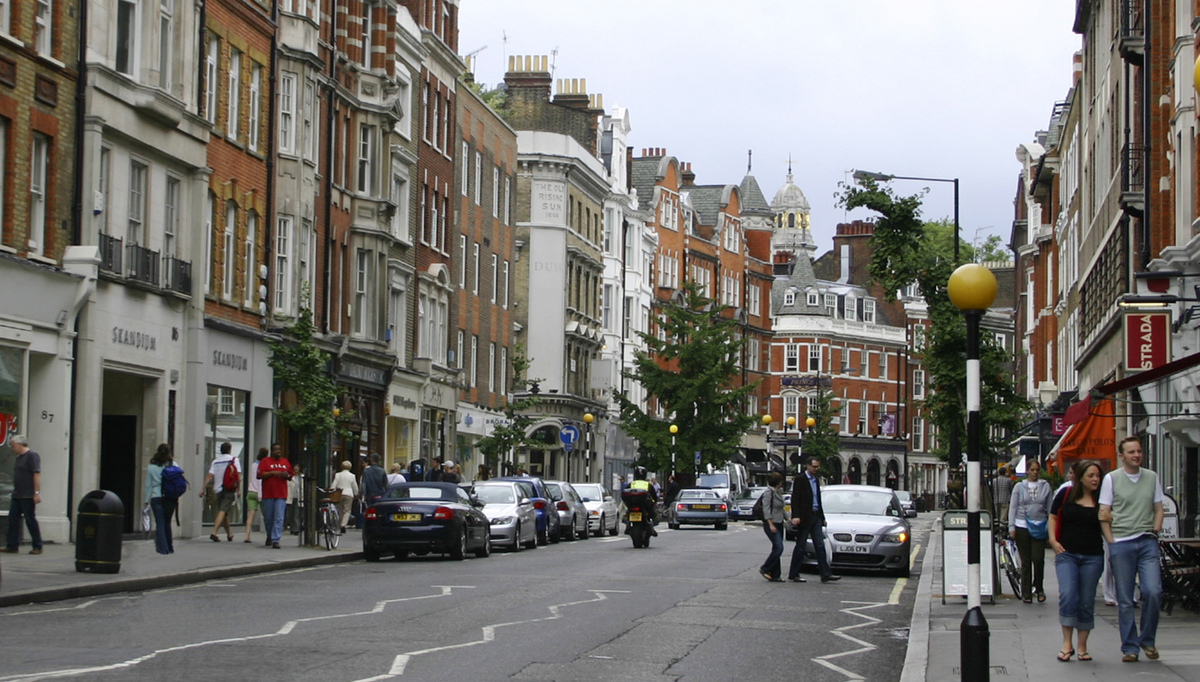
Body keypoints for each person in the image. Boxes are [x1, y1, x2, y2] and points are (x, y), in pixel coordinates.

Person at [1099, 436, 1164, 663]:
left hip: (1146, 540)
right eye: (1131, 452)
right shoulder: (1112, 479)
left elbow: (1159, 508)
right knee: (1125, 599)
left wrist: (1155, 531)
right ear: (1122, 456)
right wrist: (1112, 542)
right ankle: (1130, 647)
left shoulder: (1151, 477)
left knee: (1153, 591)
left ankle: (1147, 639)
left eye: (1139, 451)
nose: (1136, 455)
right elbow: (1104, 513)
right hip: (1122, 541)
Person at [1048, 460, 1104, 662]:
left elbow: (1109, 523)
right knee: (1068, 594)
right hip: (1067, 553)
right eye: (1091, 476)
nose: (1095, 479)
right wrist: (1053, 541)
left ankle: (1082, 645)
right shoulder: (1066, 494)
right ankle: (1066, 643)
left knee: (1086, 600)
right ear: (1080, 477)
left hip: (1092, 556)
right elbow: (1053, 516)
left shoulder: (1102, 498)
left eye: (1098, 476)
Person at [787, 456, 840, 584]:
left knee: (820, 545)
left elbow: (818, 500)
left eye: (818, 466)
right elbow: (795, 498)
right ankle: (794, 574)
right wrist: (795, 516)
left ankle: (825, 574)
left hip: (816, 516)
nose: (817, 469)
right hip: (805, 517)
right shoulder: (800, 479)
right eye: (814, 466)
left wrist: (822, 518)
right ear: (808, 466)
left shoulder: (816, 480)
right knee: (801, 546)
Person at [1009, 459, 1052, 603]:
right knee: (1025, 561)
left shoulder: (1045, 486)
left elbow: (1050, 508)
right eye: (1032, 470)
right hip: (1022, 525)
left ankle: (1039, 588)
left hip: (1039, 526)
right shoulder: (1019, 487)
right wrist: (1011, 527)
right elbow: (1013, 507)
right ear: (1027, 471)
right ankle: (1026, 592)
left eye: (1037, 470)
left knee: (1038, 559)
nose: (1035, 472)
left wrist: (1051, 529)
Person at [2, 435, 42, 554]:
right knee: (13, 520)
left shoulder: (32, 456)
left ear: (20, 444)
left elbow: (36, 474)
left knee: (30, 520)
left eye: (13, 446)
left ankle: (38, 546)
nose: (12, 448)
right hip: (17, 494)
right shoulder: (19, 458)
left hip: (27, 495)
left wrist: (36, 493)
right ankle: (12, 545)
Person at [200, 442, 239, 542]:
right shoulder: (233, 460)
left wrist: (203, 488)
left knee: (223, 511)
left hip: (217, 489)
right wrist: (239, 490)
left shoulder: (216, 461)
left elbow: (210, 475)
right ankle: (214, 532)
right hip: (229, 489)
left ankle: (229, 534)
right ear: (230, 450)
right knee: (222, 511)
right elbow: (237, 476)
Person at [144, 443, 178, 555]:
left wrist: (146, 500)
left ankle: (163, 549)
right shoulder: (173, 464)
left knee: (160, 523)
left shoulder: (151, 466)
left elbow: (148, 485)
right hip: (169, 498)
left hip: (156, 497)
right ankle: (170, 547)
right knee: (167, 522)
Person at [258, 443, 293, 548]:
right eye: (276, 450)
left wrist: (286, 475)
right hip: (268, 494)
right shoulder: (265, 461)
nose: (278, 451)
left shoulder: (285, 462)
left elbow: (290, 475)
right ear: (272, 451)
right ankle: (269, 535)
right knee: (268, 518)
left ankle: (275, 539)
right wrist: (273, 473)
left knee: (279, 517)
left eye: (279, 449)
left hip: (281, 494)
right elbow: (259, 475)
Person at [758, 472, 787, 582]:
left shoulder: (778, 492)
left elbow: (781, 508)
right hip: (771, 523)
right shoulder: (768, 492)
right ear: (778, 482)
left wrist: (788, 519)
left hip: (779, 522)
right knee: (779, 547)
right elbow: (766, 509)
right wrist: (770, 524)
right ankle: (765, 568)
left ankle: (775, 575)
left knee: (776, 547)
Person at [625, 466, 658, 536]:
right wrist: (654, 502)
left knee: (626, 515)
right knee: (653, 515)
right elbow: (654, 497)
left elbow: (625, 494)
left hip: (633, 505)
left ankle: (628, 525)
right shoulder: (648, 485)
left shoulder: (631, 484)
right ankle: (652, 528)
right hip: (645, 506)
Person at [244, 448, 266, 543]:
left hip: (251, 491)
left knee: (250, 515)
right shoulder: (264, 466)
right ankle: (269, 535)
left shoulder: (253, 465)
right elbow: (261, 481)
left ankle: (247, 535)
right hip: (260, 492)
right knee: (266, 515)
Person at [331, 461, 358, 532]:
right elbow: (354, 486)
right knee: (347, 510)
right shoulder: (352, 476)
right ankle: (343, 525)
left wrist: (332, 491)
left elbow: (334, 485)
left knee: (340, 510)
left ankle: (340, 524)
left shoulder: (338, 475)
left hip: (339, 494)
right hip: (348, 494)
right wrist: (356, 494)